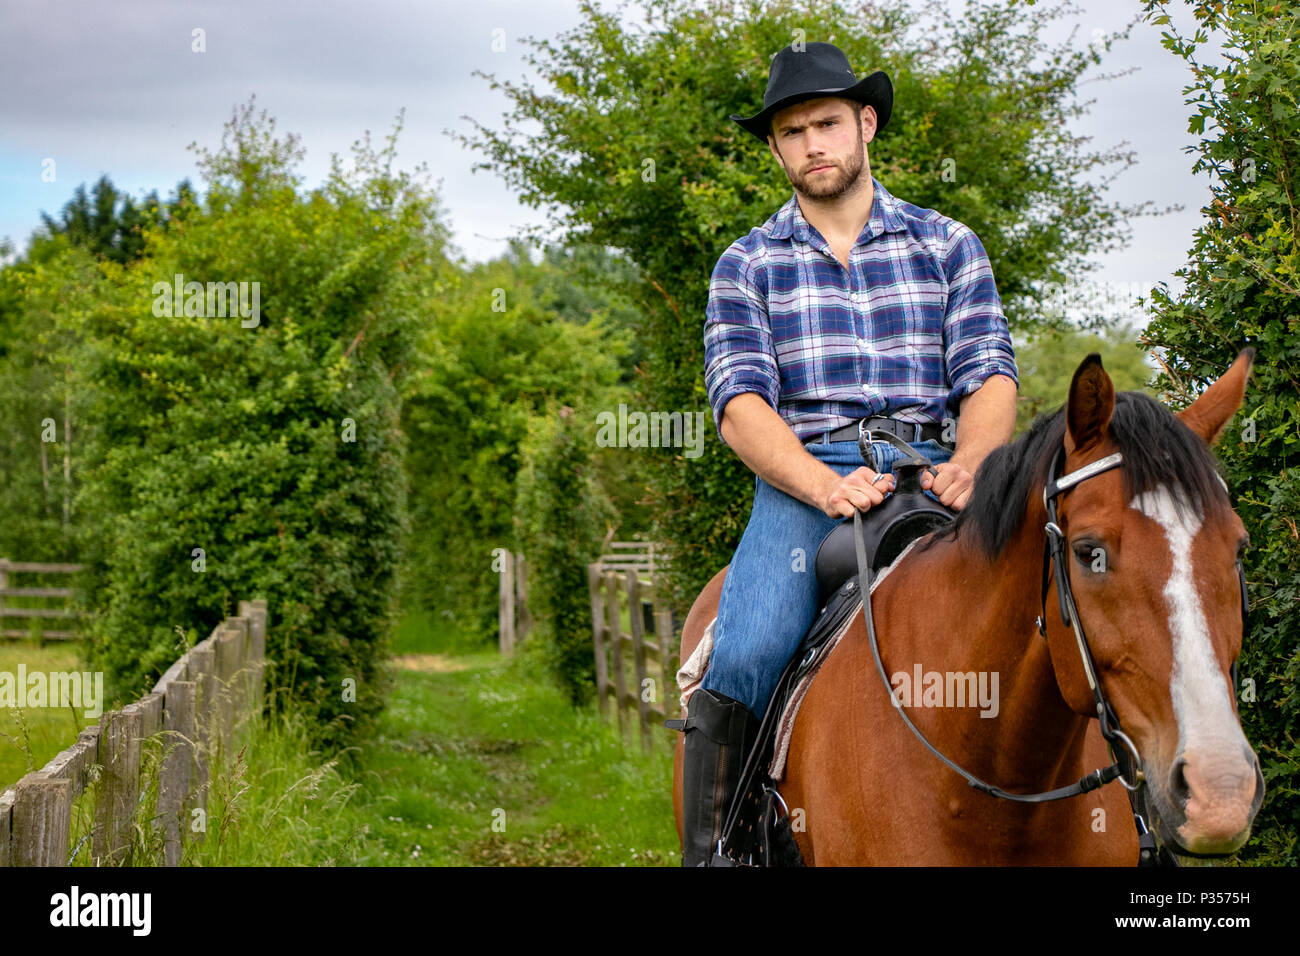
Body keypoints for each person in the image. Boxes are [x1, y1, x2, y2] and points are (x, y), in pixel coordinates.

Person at [679, 41, 1020, 866]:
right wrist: (825, 486)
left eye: (828, 123)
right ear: (775, 148)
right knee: (750, 649)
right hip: (807, 483)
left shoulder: (947, 244)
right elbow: (741, 408)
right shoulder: (747, 265)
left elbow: (989, 376)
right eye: (792, 132)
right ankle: (718, 850)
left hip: (938, 472)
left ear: (865, 124)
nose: (812, 144)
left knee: (1053, 616)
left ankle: (1139, 826)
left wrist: (972, 462)